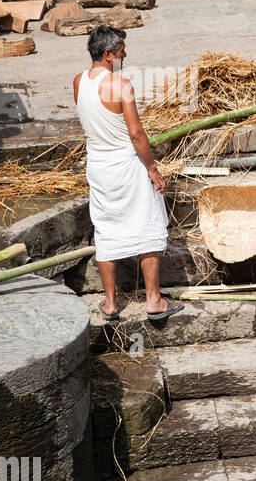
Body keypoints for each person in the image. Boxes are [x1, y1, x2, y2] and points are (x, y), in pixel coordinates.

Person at [74, 26, 179, 322]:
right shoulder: (121, 86)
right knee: (148, 225)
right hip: (127, 166)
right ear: (108, 54)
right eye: (121, 51)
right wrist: (153, 169)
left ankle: (110, 304)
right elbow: (136, 133)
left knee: (106, 229)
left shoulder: (78, 82)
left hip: (98, 166)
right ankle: (154, 300)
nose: (124, 55)